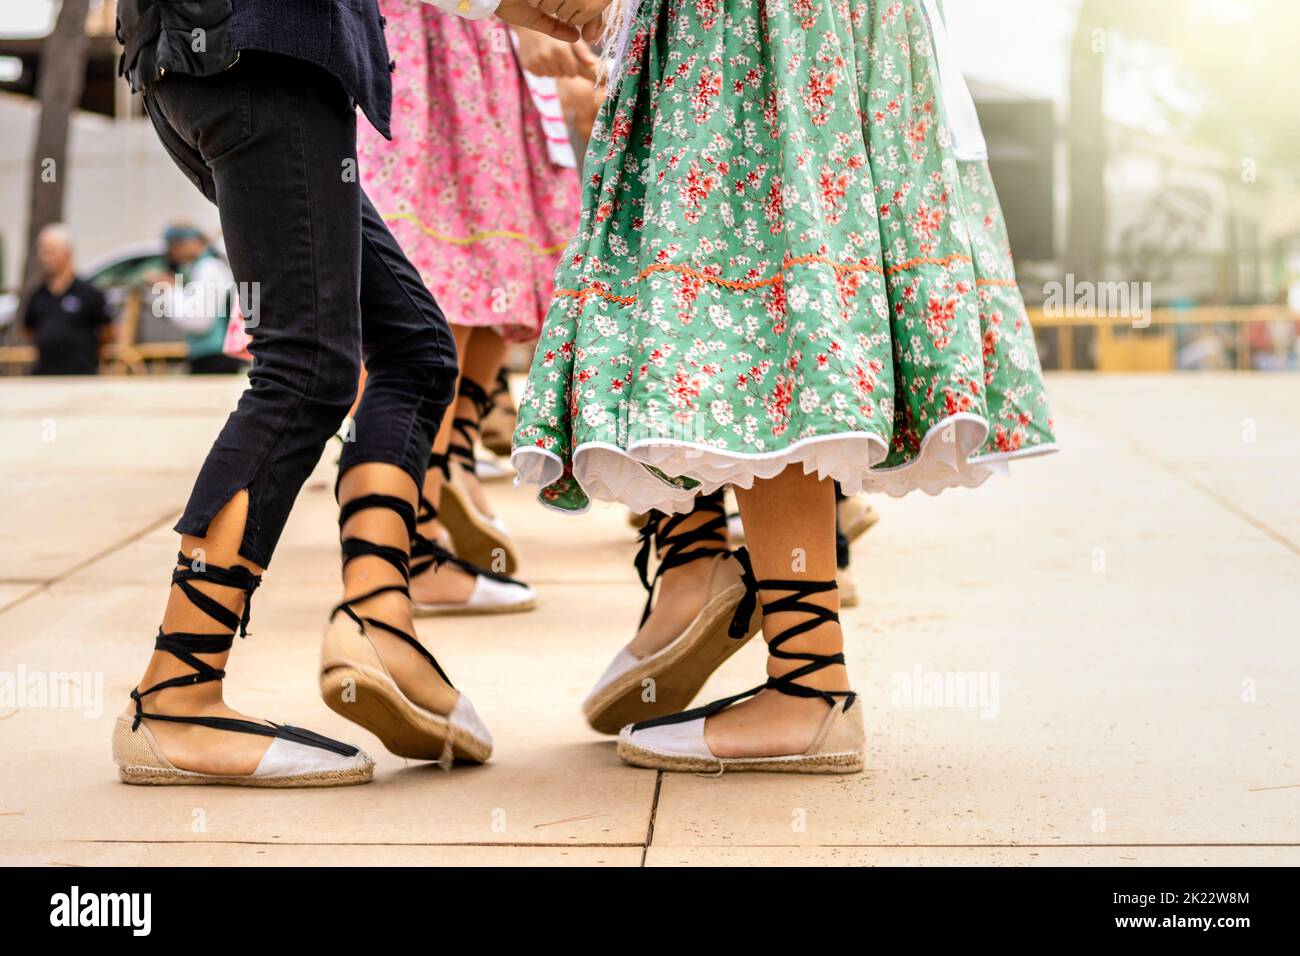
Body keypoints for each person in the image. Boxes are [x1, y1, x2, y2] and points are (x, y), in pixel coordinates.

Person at [515, 0, 1058, 773]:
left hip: (758, 26)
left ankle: (804, 684)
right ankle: (703, 570)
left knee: (761, 333)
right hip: (832, 24)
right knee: (741, 310)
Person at [111, 0, 605, 788]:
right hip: (261, 53)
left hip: (224, 55)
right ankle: (176, 692)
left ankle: (378, 609)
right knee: (304, 369)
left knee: (414, 347)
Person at [358, 7, 588, 612]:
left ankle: (432, 488)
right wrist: (524, 19)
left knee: (475, 274)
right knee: (439, 285)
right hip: (446, 36)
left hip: (441, 37)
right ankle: (411, 538)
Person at [151, 224, 245, 375]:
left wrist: (170, 289)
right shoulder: (205, 267)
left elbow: (199, 321)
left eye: (173, 246)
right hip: (214, 356)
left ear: (189, 242)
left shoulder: (208, 268)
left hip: (214, 359)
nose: (172, 254)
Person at [22, 224, 112, 376]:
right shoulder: (37, 295)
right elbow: (29, 330)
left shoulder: (88, 293)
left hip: (81, 376)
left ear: (66, 253)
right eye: (42, 251)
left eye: (49, 251)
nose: (44, 258)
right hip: (43, 377)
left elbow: (108, 331)